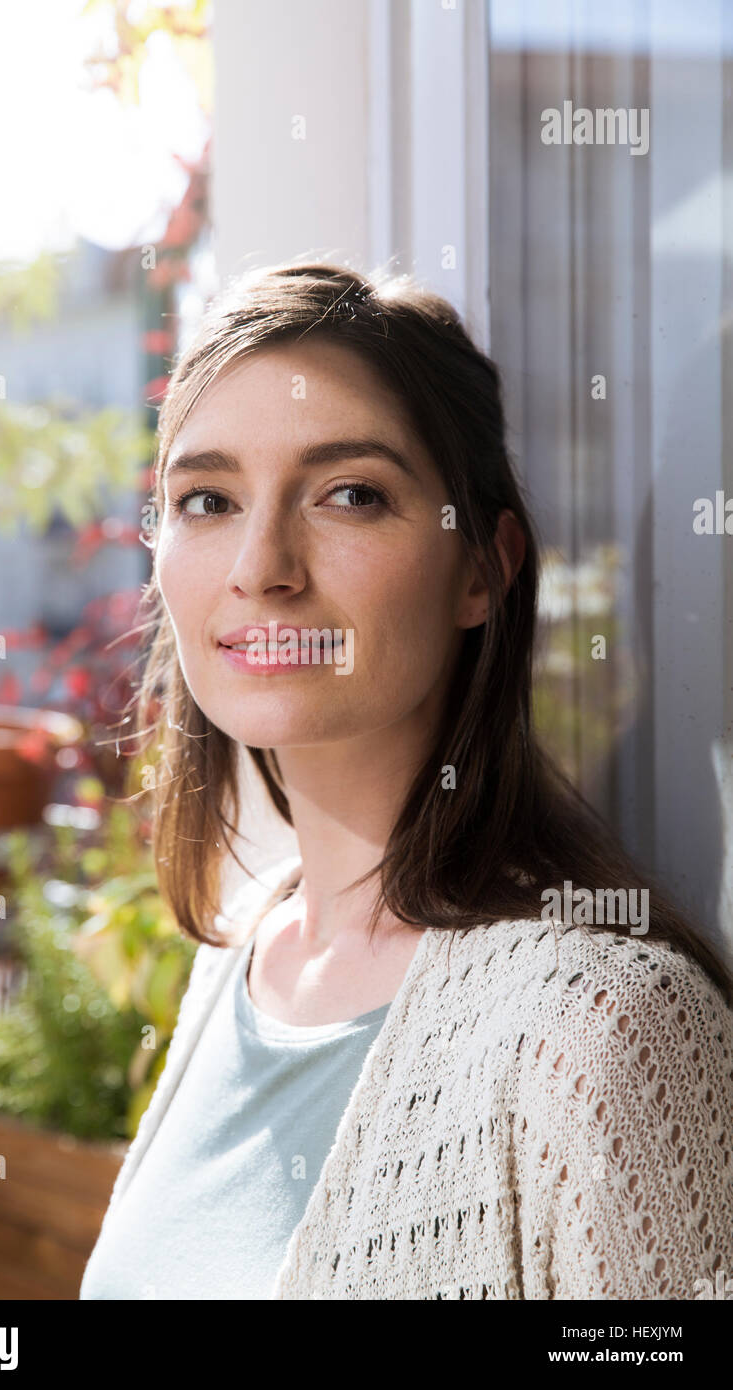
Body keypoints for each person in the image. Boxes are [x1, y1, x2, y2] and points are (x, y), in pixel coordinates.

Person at [80, 261, 733, 1300]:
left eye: (349, 493)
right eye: (207, 498)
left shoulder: (600, 1032)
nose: (261, 563)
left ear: (482, 567)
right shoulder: (241, 962)